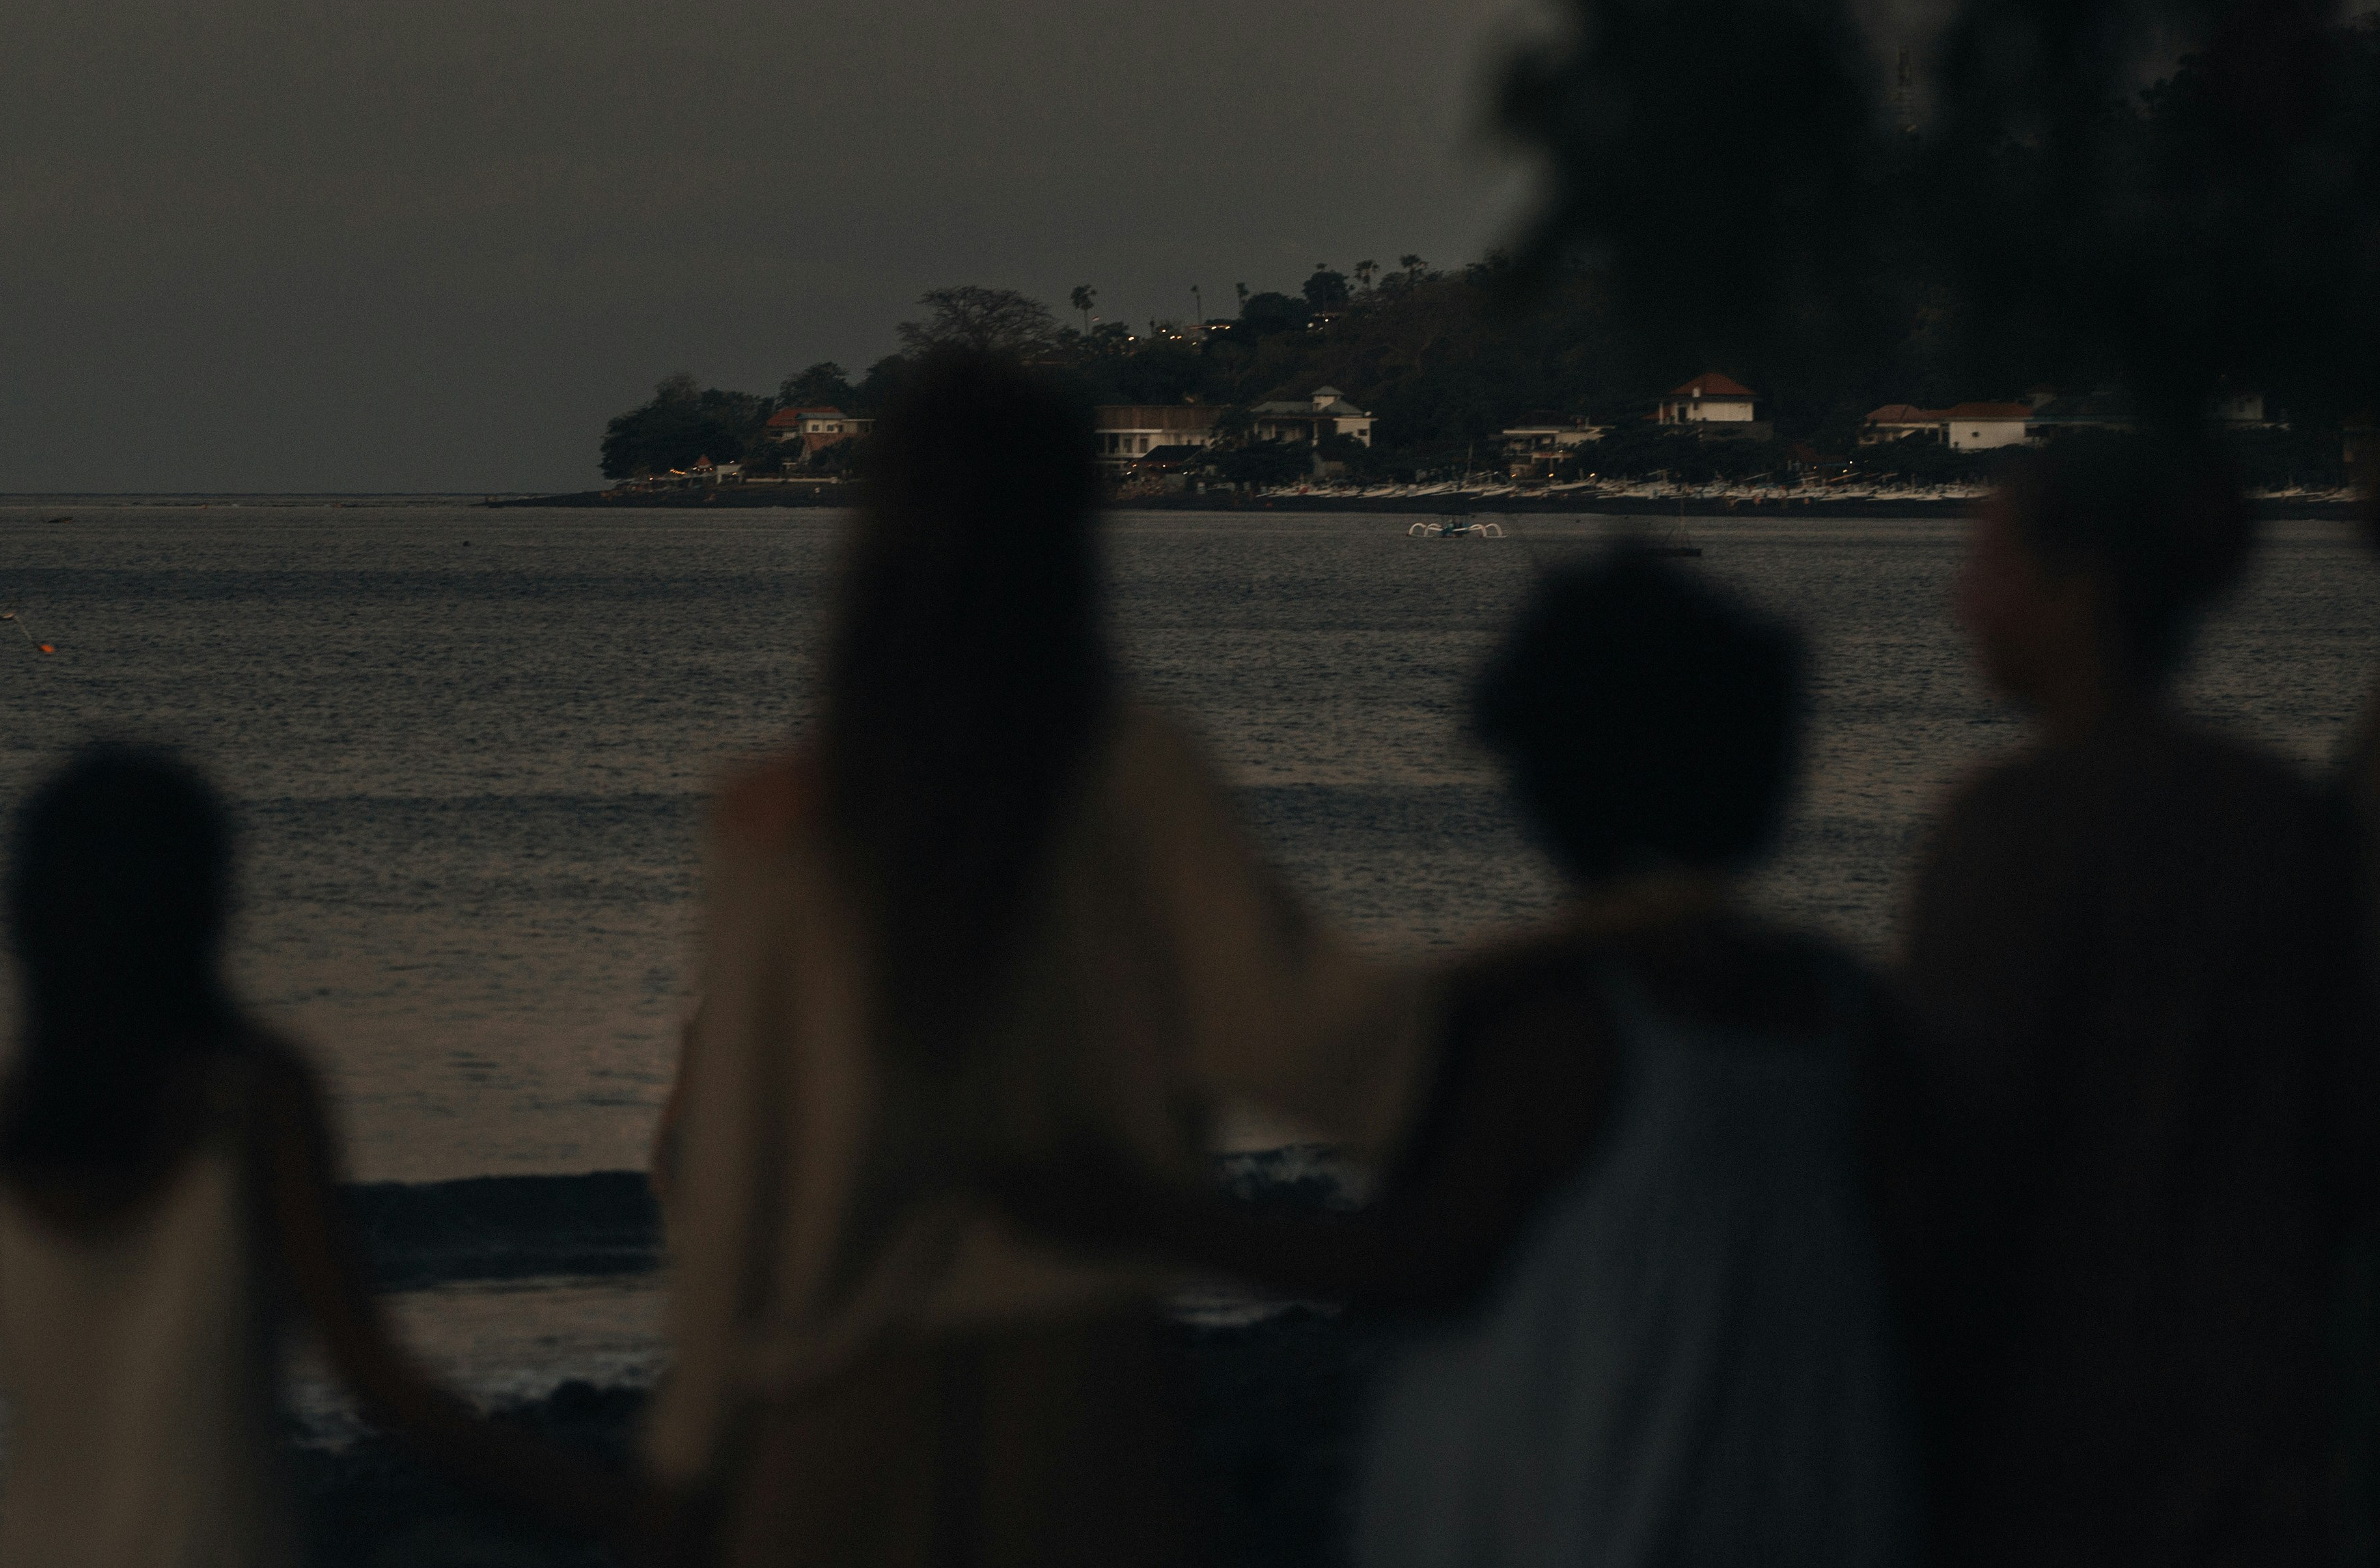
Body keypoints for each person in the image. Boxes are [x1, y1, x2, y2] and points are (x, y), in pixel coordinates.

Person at [646, 350, 1431, 1568]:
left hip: (835, 1406)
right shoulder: (1129, 771)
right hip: (1079, 1395)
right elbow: (1309, 1036)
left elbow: (741, 1168)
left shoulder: (786, 817)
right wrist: (1547, 1000)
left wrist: (691, 1451)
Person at [1001, 551, 1923, 1568]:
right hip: (1795, 1497)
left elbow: (1421, 1256)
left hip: (1587, 1494)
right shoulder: (1845, 1009)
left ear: (1545, 772)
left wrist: (1145, 1214)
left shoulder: (1563, 1025)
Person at [0, 745, 639, 1568]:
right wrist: (617, 1507)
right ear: (205, 907)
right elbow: (376, 1380)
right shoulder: (255, 1105)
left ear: (24, 917)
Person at [1905, 431, 2360, 1568]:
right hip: (2269, 1423)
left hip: (2066, 1436)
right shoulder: (2282, 816)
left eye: (1988, 565)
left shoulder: (2012, 830)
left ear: (2077, 594)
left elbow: (1952, 1151)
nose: (1962, 602)